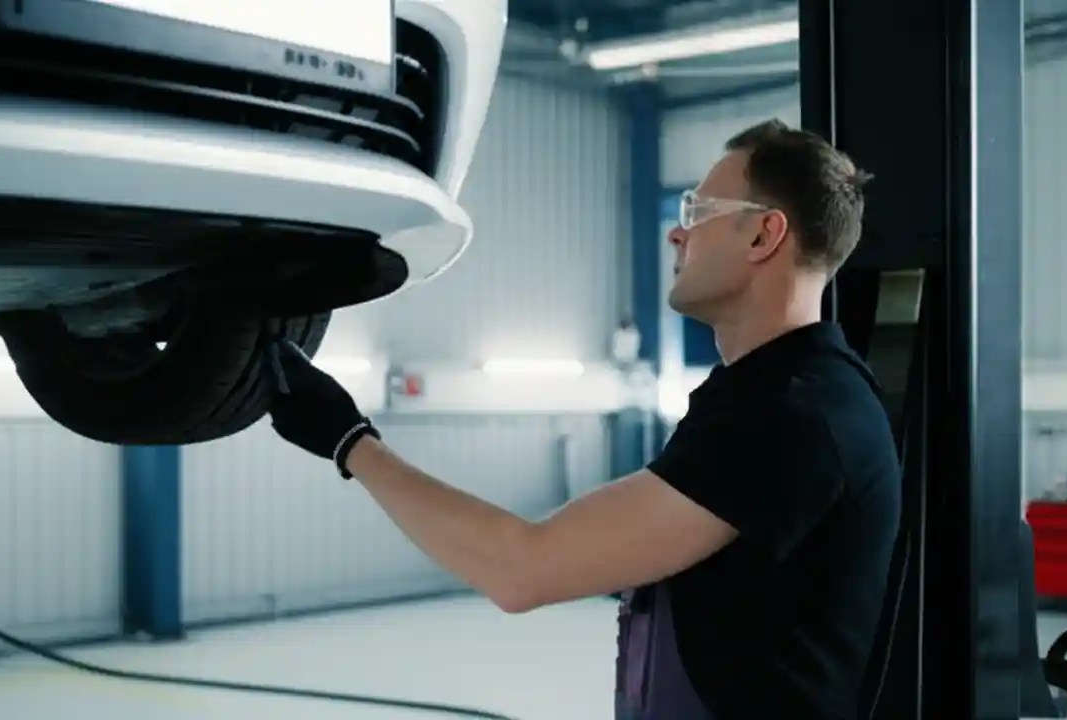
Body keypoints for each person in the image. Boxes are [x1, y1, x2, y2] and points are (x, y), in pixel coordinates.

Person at [266, 118, 902, 720]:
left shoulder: (793, 414)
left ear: (765, 235)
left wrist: (350, 441)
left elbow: (523, 568)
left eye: (697, 213)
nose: (676, 234)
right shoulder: (774, 395)